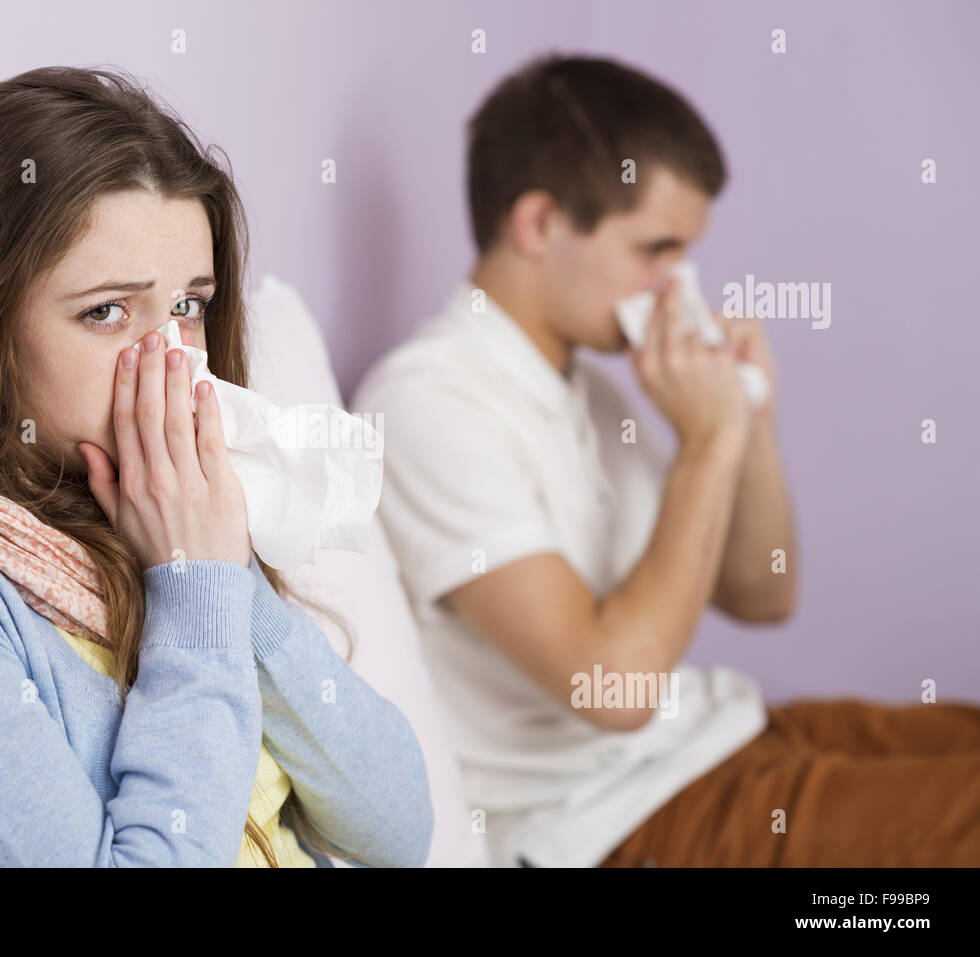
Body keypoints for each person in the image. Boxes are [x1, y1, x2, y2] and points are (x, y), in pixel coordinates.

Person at [351, 53, 980, 867]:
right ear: (539, 224)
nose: (678, 284)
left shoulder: (592, 393)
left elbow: (764, 592)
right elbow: (613, 688)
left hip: (715, 735)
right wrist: (709, 440)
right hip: (619, 817)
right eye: (657, 248)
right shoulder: (429, 402)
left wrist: (747, 417)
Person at [0, 66, 432, 867]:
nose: (171, 358)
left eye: (188, 306)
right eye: (106, 311)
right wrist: (196, 587)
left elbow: (398, 828)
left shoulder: (160, 519)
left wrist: (224, 570)